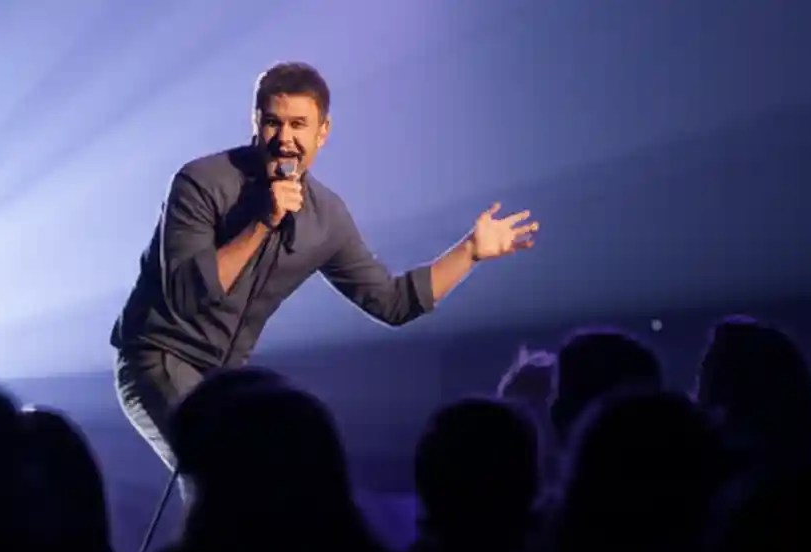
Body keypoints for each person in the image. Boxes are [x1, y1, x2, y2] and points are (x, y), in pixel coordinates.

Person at [111, 61, 540, 498]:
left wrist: (469, 251)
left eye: (299, 124)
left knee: (266, 483)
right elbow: (186, 296)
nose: (285, 138)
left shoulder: (326, 216)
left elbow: (391, 302)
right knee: (224, 479)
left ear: (323, 131)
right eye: (273, 122)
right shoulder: (201, 182)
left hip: (225, 380)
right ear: (255, 122)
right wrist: (262, 222)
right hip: (159, 355)